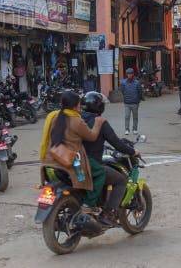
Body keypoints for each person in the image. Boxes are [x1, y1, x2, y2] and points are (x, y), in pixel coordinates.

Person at [38, 91, 104, 214]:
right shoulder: (76, 121)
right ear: (76, 105)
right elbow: (92, 136)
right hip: (69, 162)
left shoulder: (53, 116)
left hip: (48, 160)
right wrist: (98, 123)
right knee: (100, 172)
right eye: (79, 104)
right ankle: (89, 204)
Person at [81, 91, 139, 227]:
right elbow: (116, 143)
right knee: (121, 180)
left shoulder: (78, 119)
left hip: (75, 161)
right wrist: (133, 151)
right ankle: (110, 213)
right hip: (90, 162)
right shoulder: (100, 122)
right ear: (99, 107)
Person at [121, 68, 143, 135]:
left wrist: (138, 100)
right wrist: (126, 97)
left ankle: (135, 129)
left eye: (130, 73)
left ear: (133, 74)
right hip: (127, 103)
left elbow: (140, 92)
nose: (129, 75)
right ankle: (127, 129)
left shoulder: (137, 83)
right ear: (126, 74)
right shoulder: (124, 83)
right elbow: (122, 91)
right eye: (128, 74)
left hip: (135, 103)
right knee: (127, 116)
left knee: (135, 117)